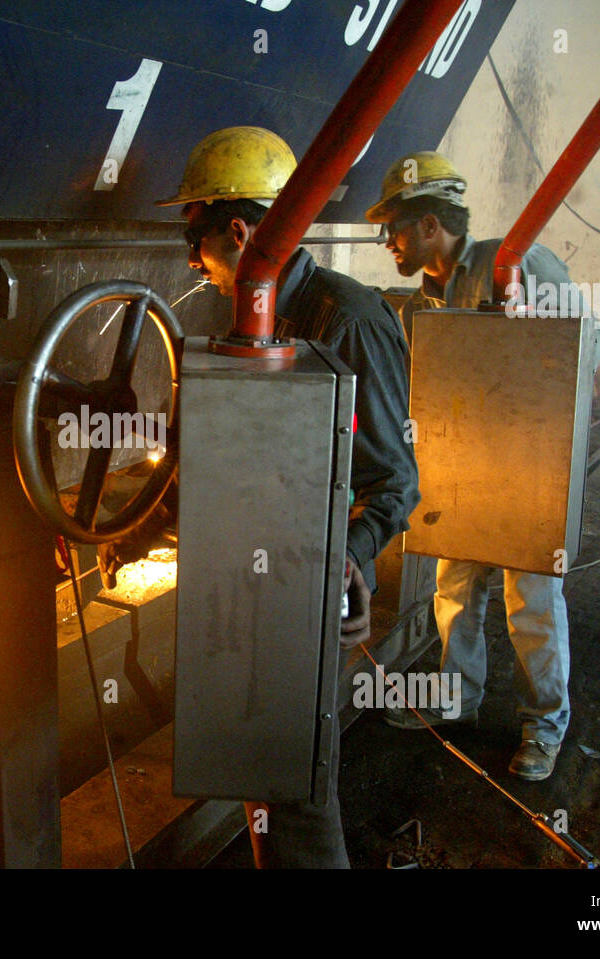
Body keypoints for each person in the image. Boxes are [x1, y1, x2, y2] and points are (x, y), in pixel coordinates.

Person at [158, 126, 421, 867]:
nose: (190, 258)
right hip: (257, 576)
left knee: (296, 791)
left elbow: (394, 482)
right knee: (262, 779)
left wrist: (349, 562)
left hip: (306, 586)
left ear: (238, 231)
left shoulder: (350, 320)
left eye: (194, 236)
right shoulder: (251, 314)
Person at [367, 150, 585, 782]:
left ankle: (544, 726)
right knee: (455, 588)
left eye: (396, 228)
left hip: (527, 467)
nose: (389, 243)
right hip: (461, 467)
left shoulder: (519, 265)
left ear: (431, 225)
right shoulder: (423, 302)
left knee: (531, 601)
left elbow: (575, 355)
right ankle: (456, 700)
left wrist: (551, 467)